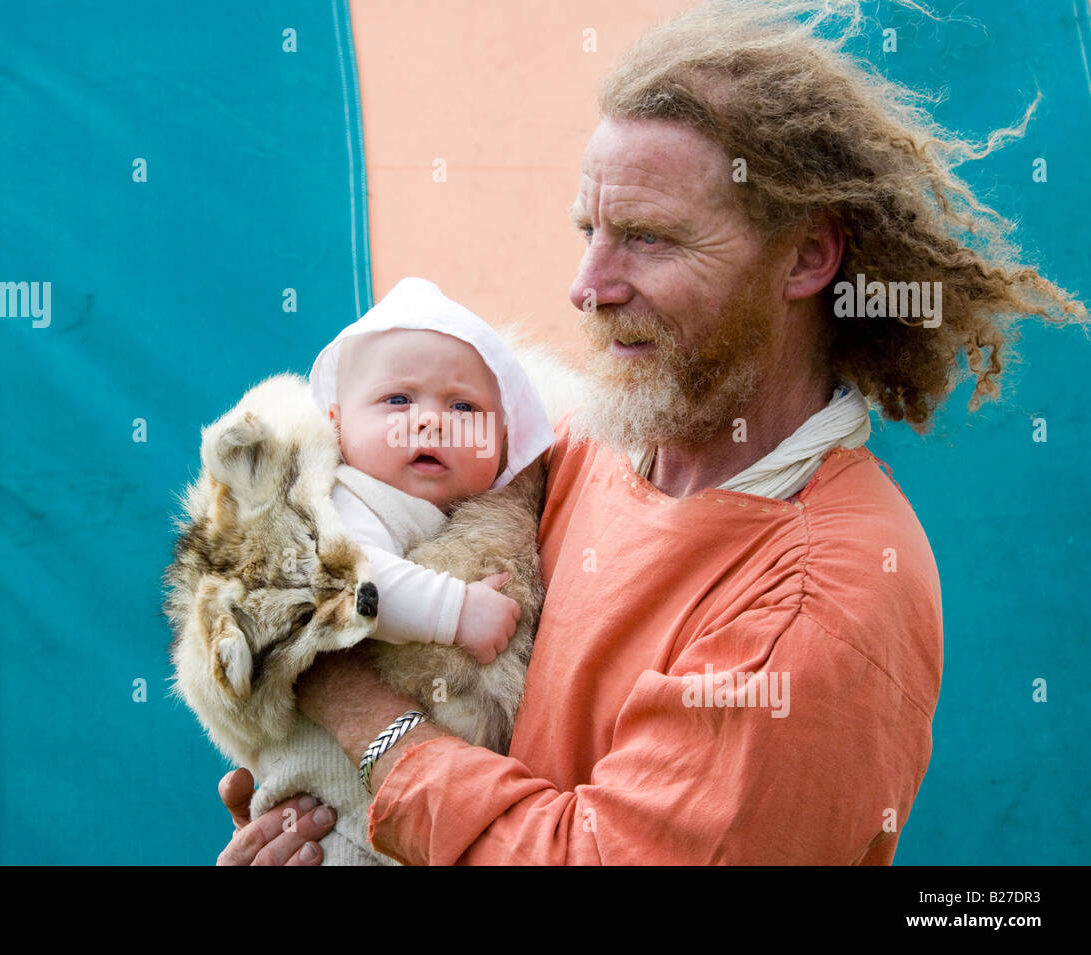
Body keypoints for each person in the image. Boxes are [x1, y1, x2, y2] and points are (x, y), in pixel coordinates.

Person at [216, 0, 1087, 865]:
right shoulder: (564, 447)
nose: (588, 286)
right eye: (589, 230)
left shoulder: (820, 598)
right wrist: (313, 806)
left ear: (807, 257)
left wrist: (346, 700)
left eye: (647, 239)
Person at [308, 276, 555, 665]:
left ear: (503, 437)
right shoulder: (356, 497)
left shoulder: (506, 517)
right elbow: (349, 578)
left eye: (463, 407)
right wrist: (456, 611)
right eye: (398, 400)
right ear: (338, 425)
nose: (431, 422)